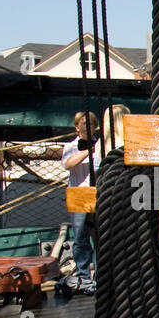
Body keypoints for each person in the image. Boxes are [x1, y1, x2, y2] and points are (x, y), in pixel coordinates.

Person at [61, 111, 100, 284]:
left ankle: (100, 276)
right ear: (77, 127)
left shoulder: (101, 145)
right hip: (78, 194)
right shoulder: (70, 147)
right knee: (80, 238)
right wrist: (87, 152)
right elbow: (68, 164)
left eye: (91, 123)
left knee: (99, 238)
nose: (88, 126)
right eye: (84, 123)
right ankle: (84, 276)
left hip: (97, 194)